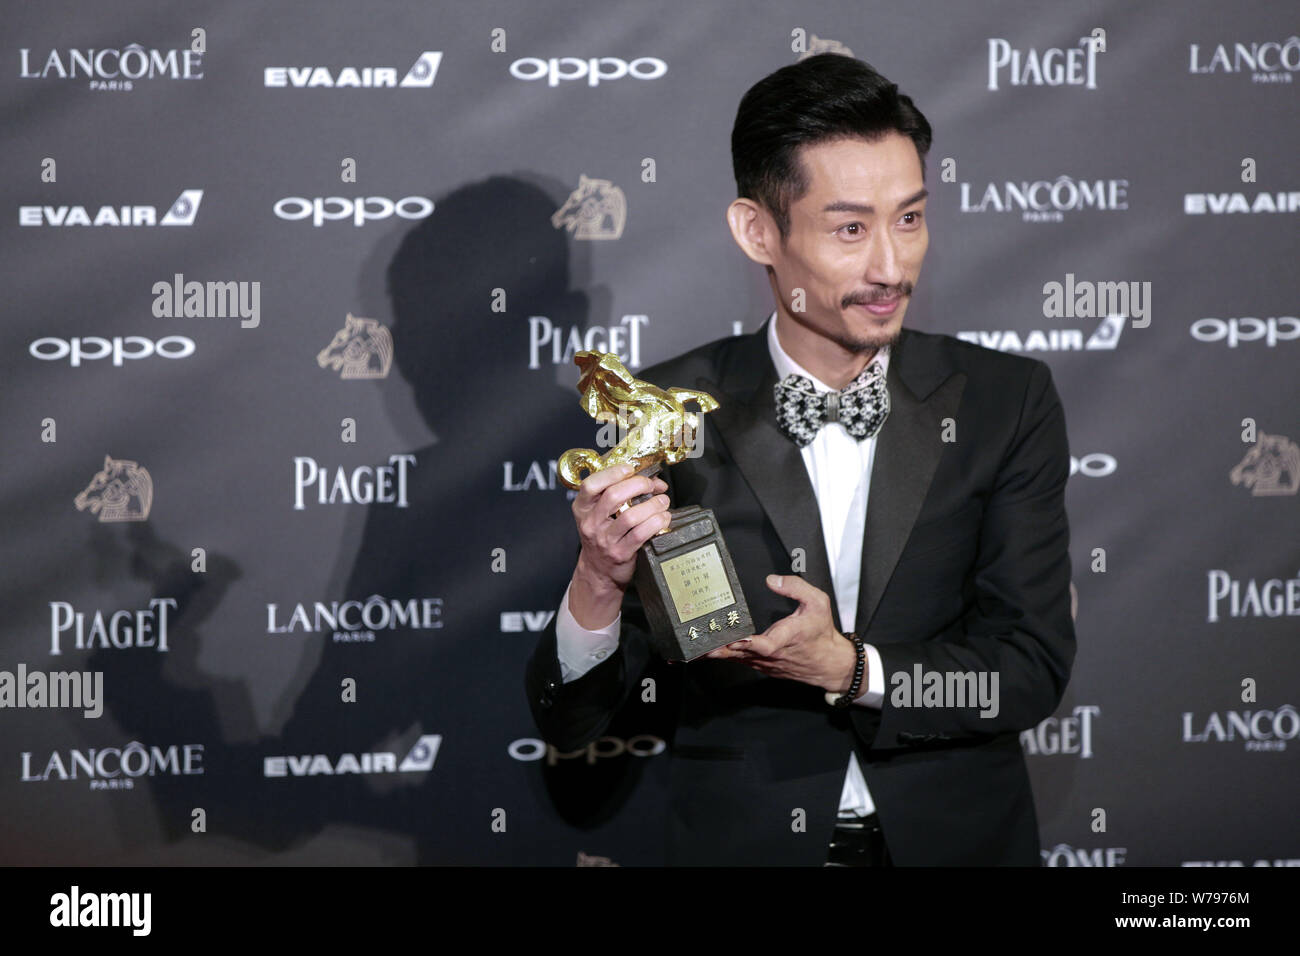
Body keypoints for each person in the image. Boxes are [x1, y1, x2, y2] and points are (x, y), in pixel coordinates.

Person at [525, 53, 1076, 866]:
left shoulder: (1003, 400)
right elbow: (573, 721)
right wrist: (596, 586)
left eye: (911, 218)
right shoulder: (667, 412)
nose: (891, 266)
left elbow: (1025, 673)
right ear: (758, 231)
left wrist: (854, 668)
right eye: (851, 228)